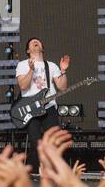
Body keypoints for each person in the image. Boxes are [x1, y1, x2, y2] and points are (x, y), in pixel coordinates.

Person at [15, 37, 69, 171]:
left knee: (54, 141)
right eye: (32, 42)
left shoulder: (51, 65)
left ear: (42, 47)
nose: (36, 42)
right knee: (36, 142)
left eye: (38, 41)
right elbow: (23, 85)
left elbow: (62, 87)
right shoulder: (22, 64)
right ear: (28, 50)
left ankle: (54, 171)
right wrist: (31, 70)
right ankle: (36, 171)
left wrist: (63, 71)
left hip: (49, 107)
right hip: (31, 109)